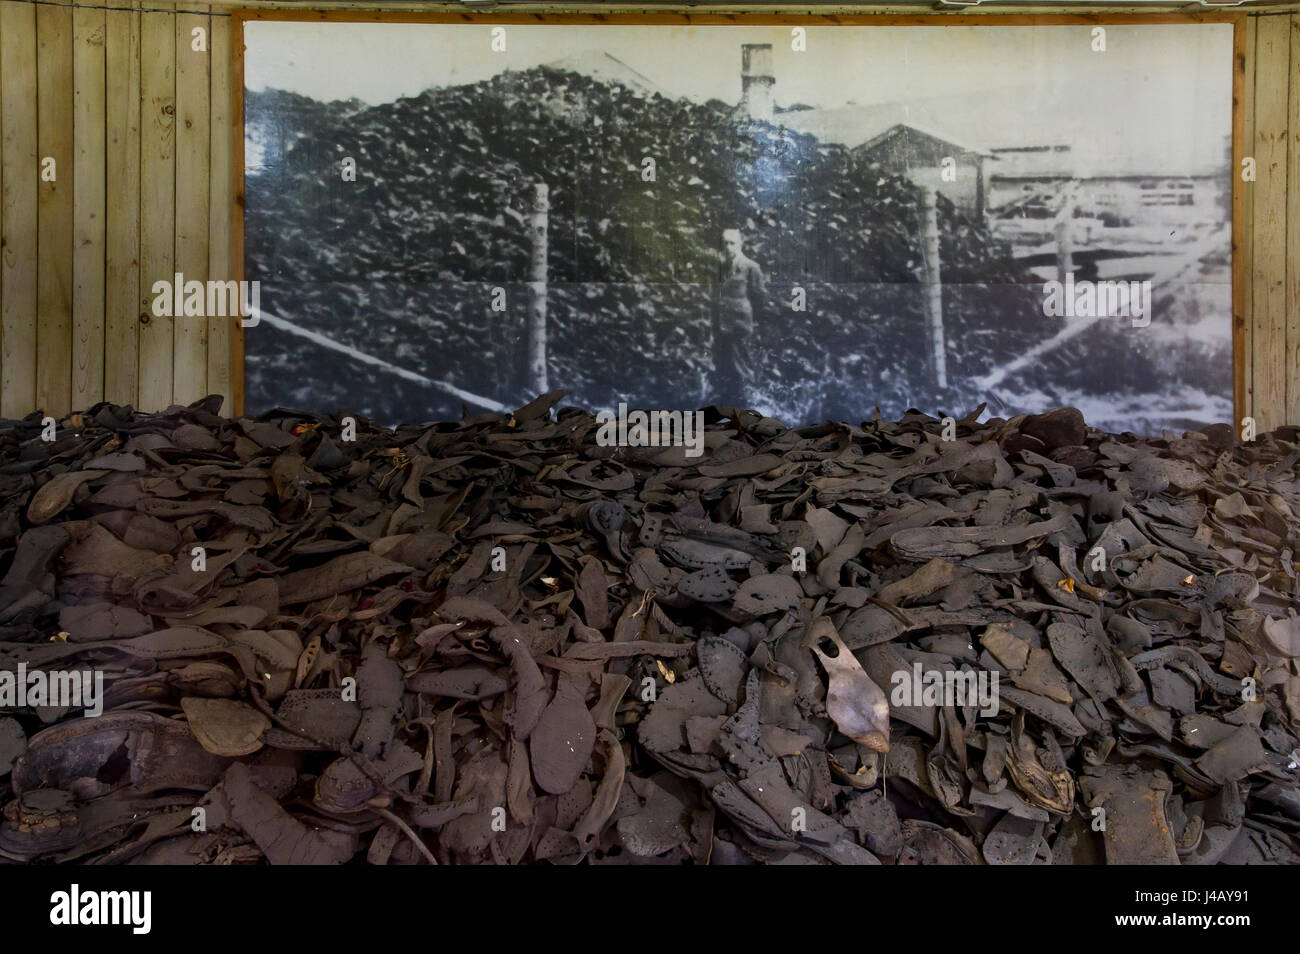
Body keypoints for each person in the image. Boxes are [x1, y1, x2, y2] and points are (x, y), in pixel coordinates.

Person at [711, 228, 767, 408]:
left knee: (742, 367)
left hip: (741, 326)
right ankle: (732, 408)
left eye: (732, 243)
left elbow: (760, 297)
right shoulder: (722, 268)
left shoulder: (751, 267)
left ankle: (750, 407)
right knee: (726, 367)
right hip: (723, 326)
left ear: (740, 244)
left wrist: (750, 320)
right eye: (725, 243)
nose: (728, 247)